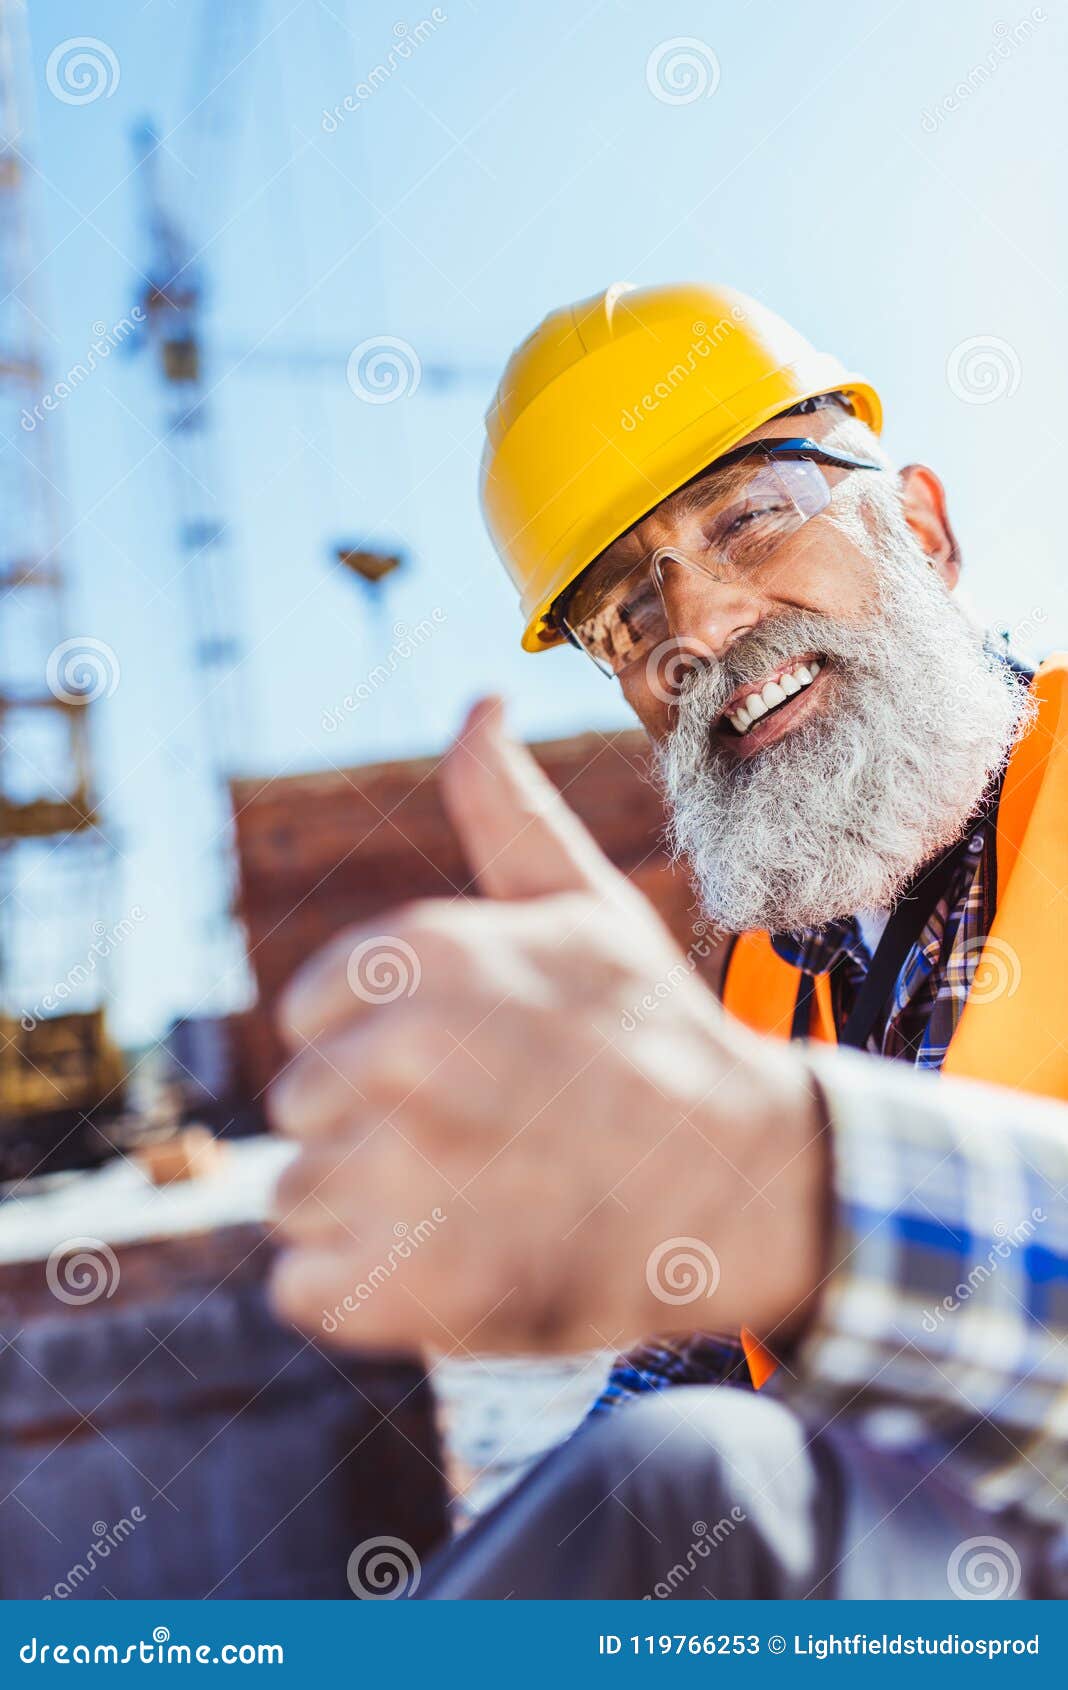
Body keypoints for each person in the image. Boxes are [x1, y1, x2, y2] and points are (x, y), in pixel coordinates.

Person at [266, 284, 1068, 1599]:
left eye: (751, 517)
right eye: (632, 616)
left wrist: (796, 1186)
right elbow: (681, 1372)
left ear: (921, 527)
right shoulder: (763, 991)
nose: (698, 628)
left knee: (690, 1482)